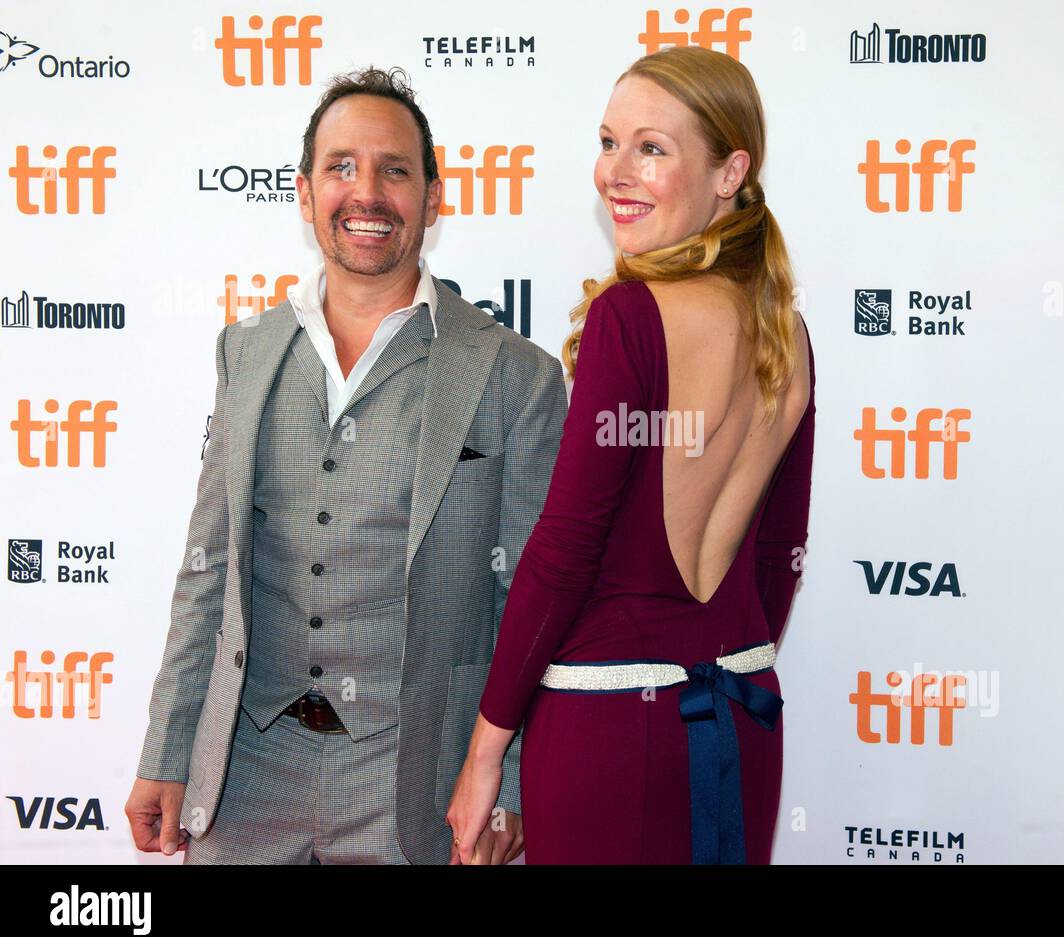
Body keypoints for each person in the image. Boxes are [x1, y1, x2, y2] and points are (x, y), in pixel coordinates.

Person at [123, 67, 566, 864]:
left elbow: (532, 601)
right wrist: (167, 748)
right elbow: (208, 571)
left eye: (395, 169)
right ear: (303, 193)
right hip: (249, 769)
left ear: (434, 198)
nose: (366, 192)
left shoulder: (515, 374)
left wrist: (509, 781)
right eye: (341, 167)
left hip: (418, 778)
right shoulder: (246, 352)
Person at [446, 46, 816, 864]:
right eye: (609, 141)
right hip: (742, 711)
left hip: (608, 725)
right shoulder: (788, 334)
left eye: (652, 147)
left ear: (731, 171)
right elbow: (780, 556)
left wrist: (484, 753)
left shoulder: (631, 316)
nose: (616, 170)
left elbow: (566, 548)